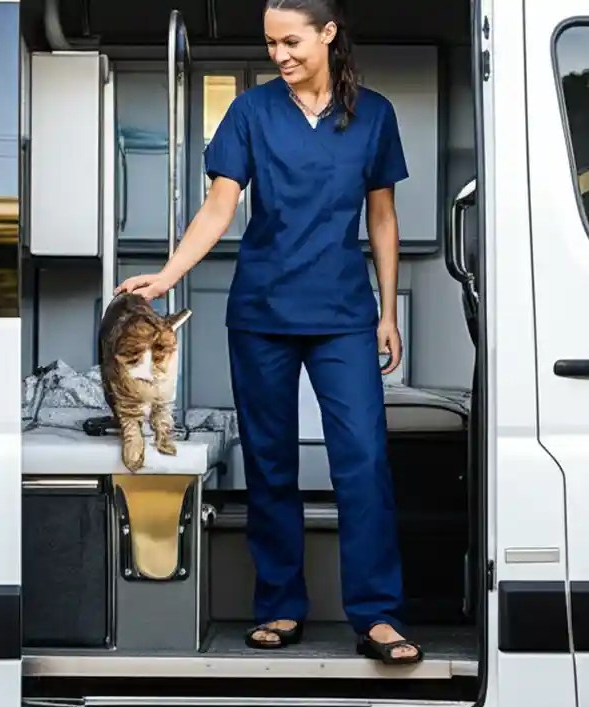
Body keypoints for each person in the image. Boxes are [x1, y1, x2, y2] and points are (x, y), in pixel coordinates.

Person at [114, 0, 421, 665]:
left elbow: (384, 219)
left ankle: (377, 616)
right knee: (271, 462)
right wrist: (166, 276)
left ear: (328, 34)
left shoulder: (374, 114)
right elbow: (220, 206)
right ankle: (280, 607)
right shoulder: (252, 113)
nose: (279, 55)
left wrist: (388, 312)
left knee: (364, 462)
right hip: (262, 315)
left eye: (291, 42)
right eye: (270, 44)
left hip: (343, 315)